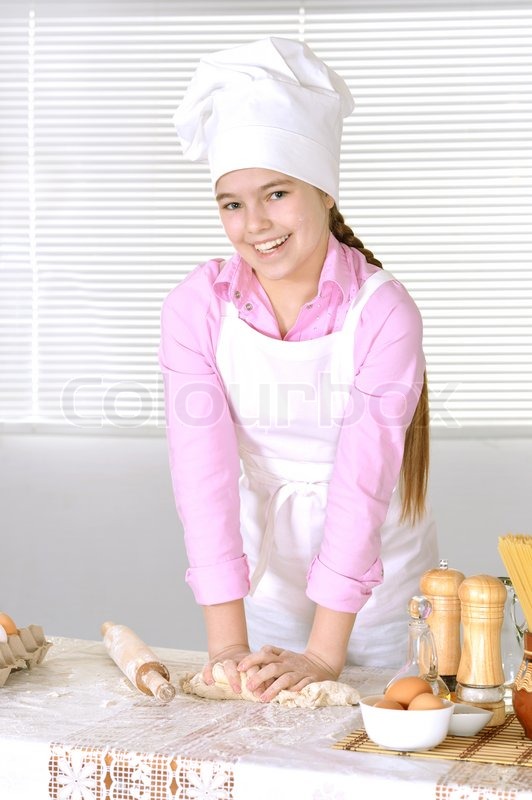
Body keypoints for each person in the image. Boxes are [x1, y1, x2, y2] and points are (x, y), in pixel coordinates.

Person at [159, 37, 439, 703]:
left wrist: (322, 653)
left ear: (323, 191)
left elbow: (362, 483)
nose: (254, 224)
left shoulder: (383, 311)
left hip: (378, 591)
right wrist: (228, 646)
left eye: (276, 193)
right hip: (268, 585)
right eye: (231, 202)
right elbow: (203, 479)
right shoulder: (198, 306)